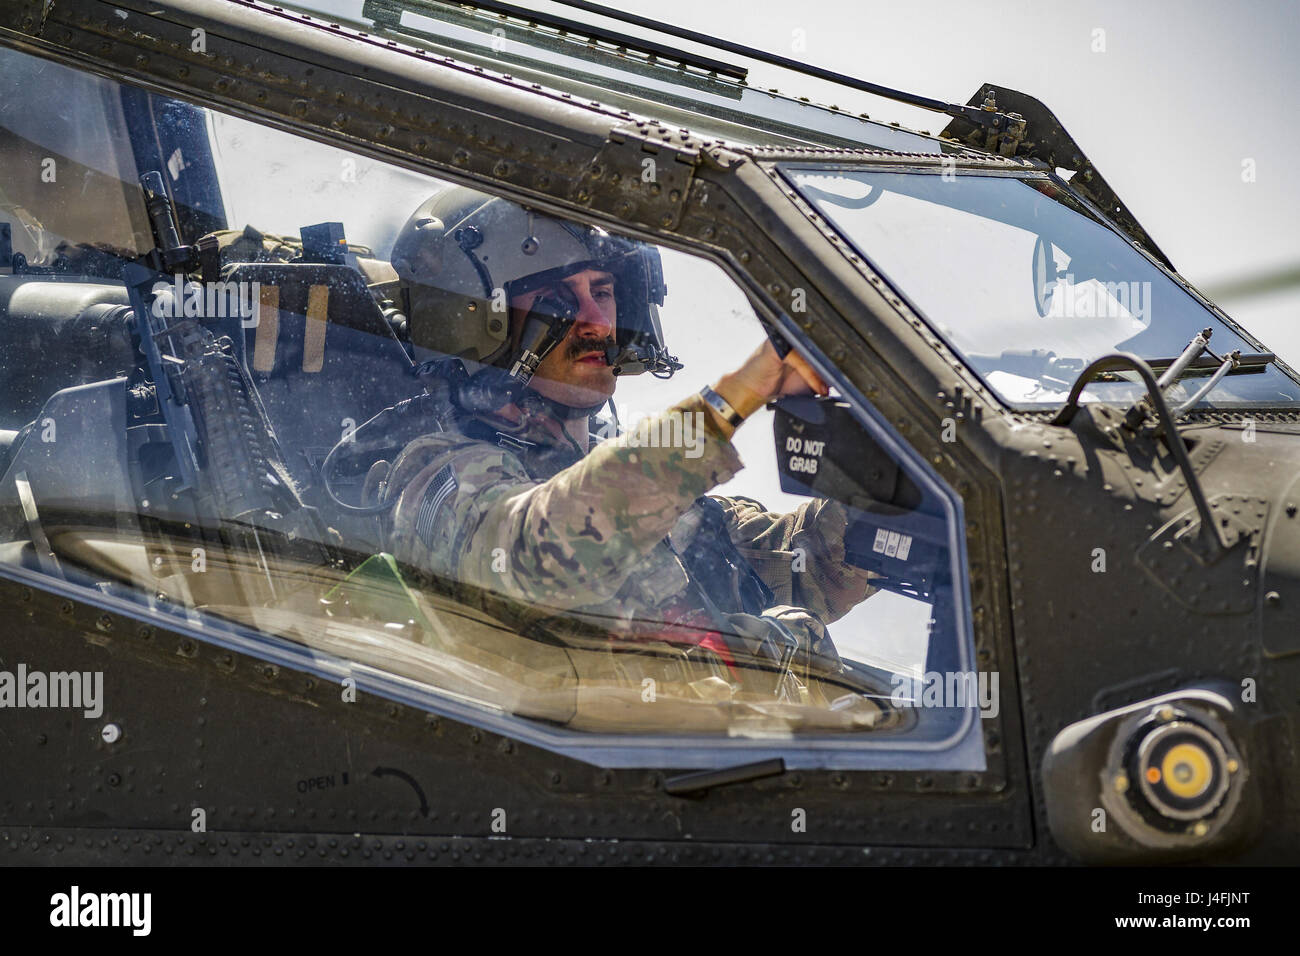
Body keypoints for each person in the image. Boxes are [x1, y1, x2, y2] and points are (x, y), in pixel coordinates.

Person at [377, 187, 878, 700]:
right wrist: (740, 394)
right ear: (475, 318)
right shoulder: (437, 476)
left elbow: (800, 565)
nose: (597, 321)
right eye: (556, 300)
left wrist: (890, 493)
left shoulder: (626, 478)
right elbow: (541, 551)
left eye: (605, 291)